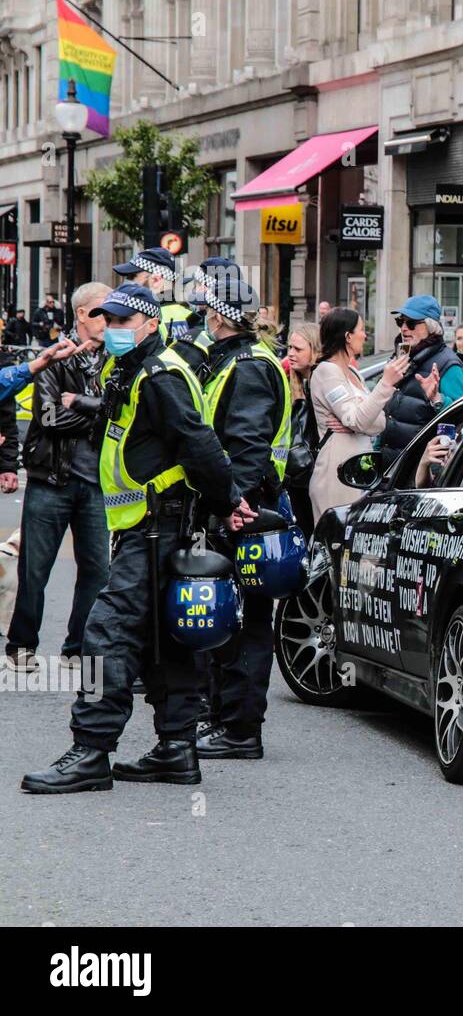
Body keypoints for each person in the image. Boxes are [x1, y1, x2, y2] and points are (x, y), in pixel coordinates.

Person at [20, 283, 253, 794]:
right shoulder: (126, 368)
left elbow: (200, 444)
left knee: (105, 635)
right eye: (109, 320)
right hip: (143, 527)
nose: (114, 328)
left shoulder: (162, 374)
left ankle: (92, 751)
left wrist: (228, 502)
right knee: (163, 641)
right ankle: (176, 749)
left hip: (159, 526)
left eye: (125, 321)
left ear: (150, 325)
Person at [193, 266, 293, 761]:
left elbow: (249, 447)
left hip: (249, 509)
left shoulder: (249, 365)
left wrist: (235, 504)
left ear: (223, 316)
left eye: (210, 309)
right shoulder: (234, 359)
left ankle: (240, 730)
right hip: (239, 504)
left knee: (246, 620)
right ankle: (222, 718)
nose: (205, 317)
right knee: (229, 615)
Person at [4, 282, 111, 674]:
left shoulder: (116, 359)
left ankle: (78, 647)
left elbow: (118, 413)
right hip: (52, 477)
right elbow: (47, 417)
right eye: (101, 311)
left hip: (99, 482)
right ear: (81, 313)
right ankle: (21, 645)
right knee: (35, 567)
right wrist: (98, 414)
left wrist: (84, 406)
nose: (108, 320)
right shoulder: (58, 357)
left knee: (98, 570)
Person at [309, 308, 403, 519]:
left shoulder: (352, 372)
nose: (365, 335)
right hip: (336, 473)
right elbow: (358, 419)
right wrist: (385, 383)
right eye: (361, 329)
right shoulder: (327, 371)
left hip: (359, 471)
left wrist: (356, 422)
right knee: (335, 541)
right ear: (348, 336)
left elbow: (378, 423)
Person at [375, 295, 463, 471]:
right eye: (400, 322)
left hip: (421, 475)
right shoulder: (401, 358)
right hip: (389, 470)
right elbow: (390, 415)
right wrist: (377, 451)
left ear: (431, 327)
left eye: (411, 323)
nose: (403, 328)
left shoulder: (448, 365)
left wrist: (436, 398)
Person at [284, 322, 321, 540]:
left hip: (316, 473)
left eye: (298, 349)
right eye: (289, 348)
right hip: (301, 474)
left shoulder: (321, 380)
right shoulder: (300, 382)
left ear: (315, 350)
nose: (291, 354)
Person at [113, 248, 190, 343]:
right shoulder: (192, 317)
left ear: (156, 280)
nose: (126, 282)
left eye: (132, 276)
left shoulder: (142, 322)